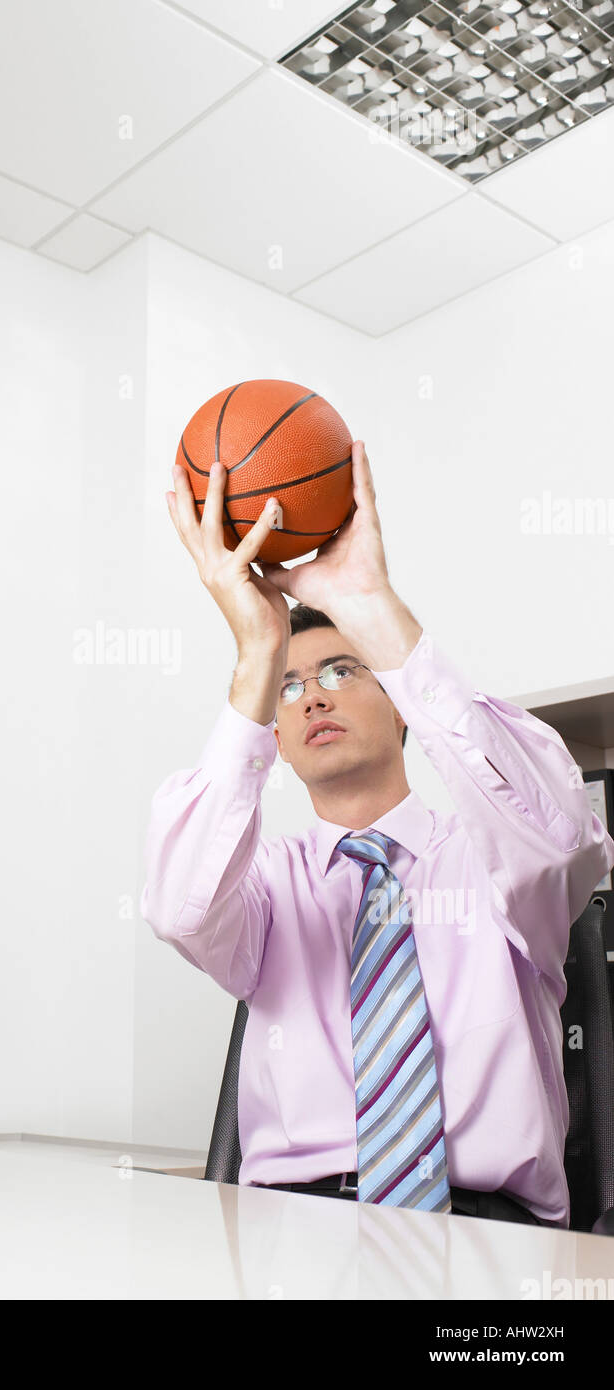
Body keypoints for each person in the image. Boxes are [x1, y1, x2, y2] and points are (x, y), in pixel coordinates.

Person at [140, 441, 614, 1227]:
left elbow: (566, 839)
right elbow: (178, 909)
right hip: (291, 1238)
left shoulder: (493, 862)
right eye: (289, 689)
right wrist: (254, 656)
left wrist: (370, 606)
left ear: (400, 704)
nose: (311, 699)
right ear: (275, 735)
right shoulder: (260, 887)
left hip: (490, 1238)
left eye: (339, 672)